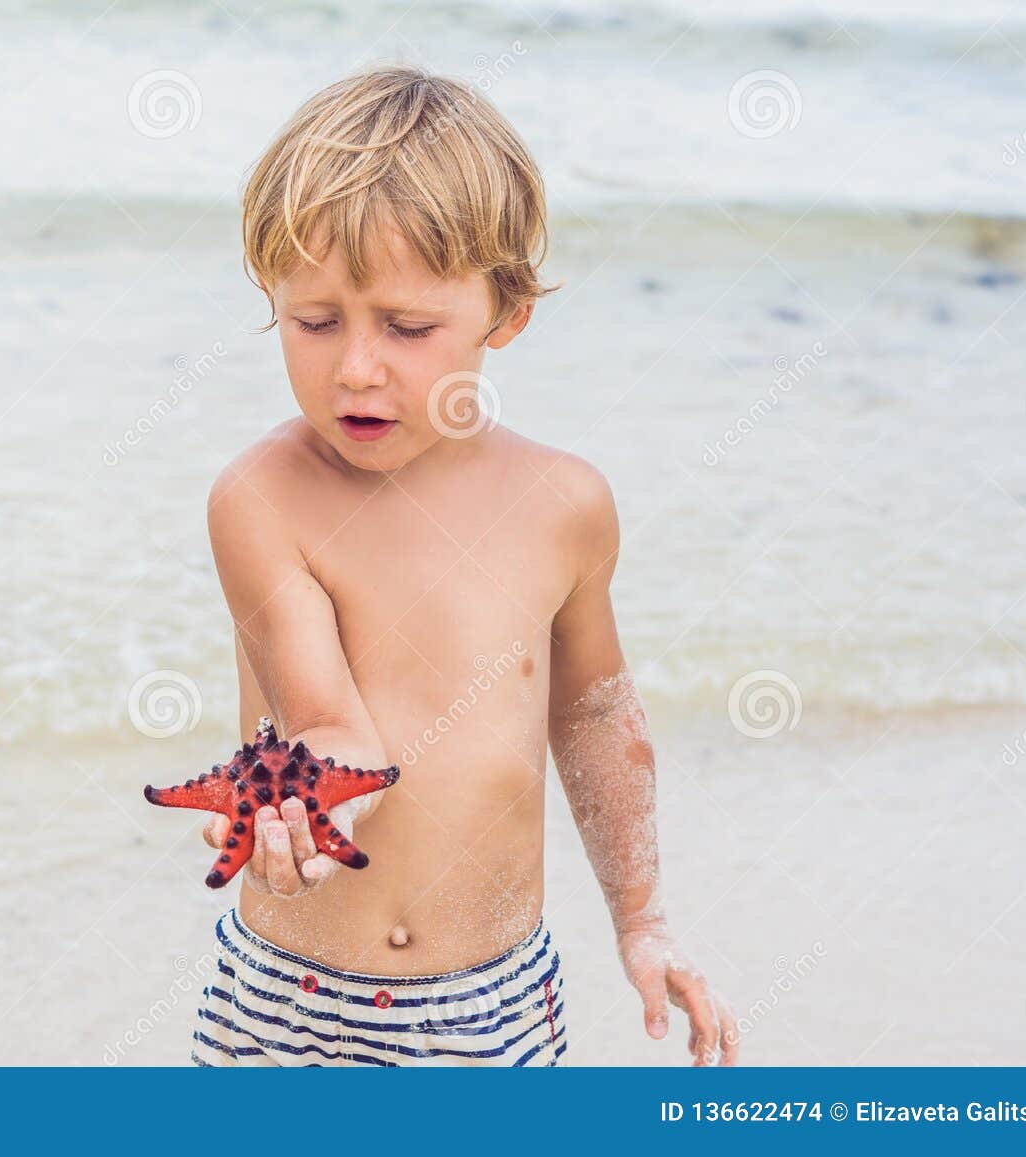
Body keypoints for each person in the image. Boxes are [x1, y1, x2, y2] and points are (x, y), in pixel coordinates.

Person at [189, 65, 738, 1067]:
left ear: (506, 311)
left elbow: (594, 712)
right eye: (314, 320)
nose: (356, 365)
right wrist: (298, 807)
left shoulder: (562, 505)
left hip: (495, 1005)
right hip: (289, 1001)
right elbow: (325, 720)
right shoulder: (259, 497)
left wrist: (642, 919)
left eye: (405, 327)